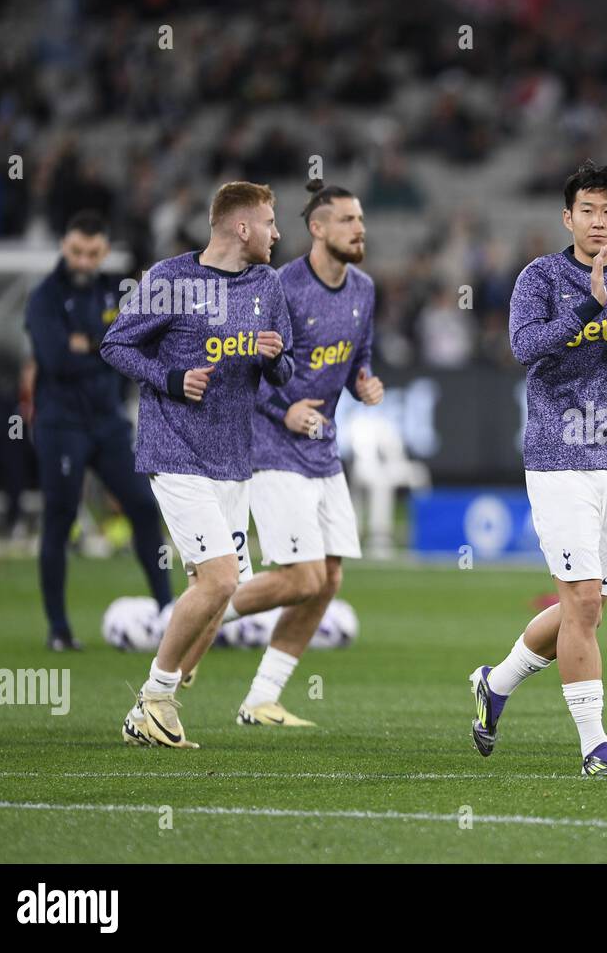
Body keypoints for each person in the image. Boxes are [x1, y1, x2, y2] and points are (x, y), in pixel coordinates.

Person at [471, 159, 607, 777]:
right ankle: (595, 745)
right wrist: (587, 311)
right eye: (586, 211)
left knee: (586, 610)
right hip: (558, 455)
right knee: (582, 599)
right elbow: (522, 348)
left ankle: (497, 683)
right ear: (567, 217)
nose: (598, 222)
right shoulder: (539, 277)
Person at [175, 180, 383, 727]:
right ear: (317, 229)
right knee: (300, 578)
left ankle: (260, 697)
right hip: (271, 447)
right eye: (346, 220)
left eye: (360, 219)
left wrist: (364, 382)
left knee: (328, 580)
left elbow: (358, 355)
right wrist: (282, 409)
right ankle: (201, 615)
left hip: (322, 450)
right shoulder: (279, 286)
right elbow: (243, 368)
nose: (359, 229)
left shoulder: (364, 288)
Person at [100, 181, 293, 748]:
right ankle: (153, 700)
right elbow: (117, 343)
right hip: (176, 449)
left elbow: (282, 374)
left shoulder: (268, 285)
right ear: (241, 228)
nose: (278, 234)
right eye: (269, 223)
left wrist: (275, 359)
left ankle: (169, 684)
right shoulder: (170, 280)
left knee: (217, 594)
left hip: (234, 459)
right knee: (220, 579)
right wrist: (169, 378)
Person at [24, 210, 172, 651]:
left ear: (104, 251)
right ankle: (59, 629)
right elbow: (55, 361)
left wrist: (89, 343)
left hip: (108, 423)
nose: (84, 261)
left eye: (92, 253)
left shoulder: (115, 290)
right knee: (61, 518)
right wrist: (105, 344)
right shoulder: (44, 297)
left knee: (145, 508)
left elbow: (133, 349)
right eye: (76, 252)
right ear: (64, 249)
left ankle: (167, 614)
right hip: (60, 424)